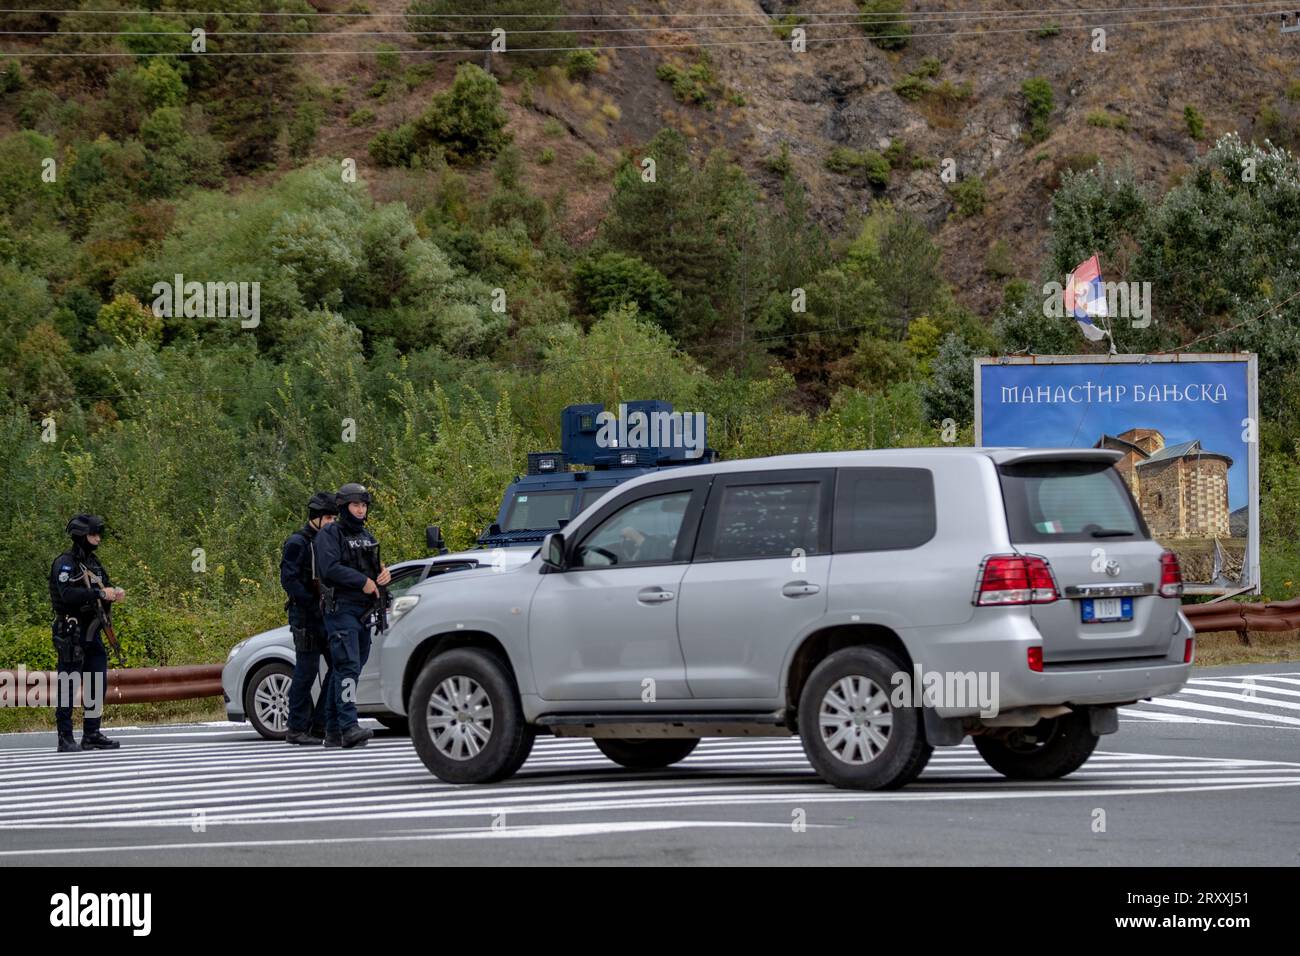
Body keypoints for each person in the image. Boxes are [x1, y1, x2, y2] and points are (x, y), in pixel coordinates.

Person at [314, 483, 390, 749]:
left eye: (363, 505)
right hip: (341, 609)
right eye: (355, 505)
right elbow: (329, 568)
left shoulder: (366, 535)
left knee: (347, 668)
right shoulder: (330, 534)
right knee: (347, 666)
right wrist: (362, 582)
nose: (360, 510)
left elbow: (371, 568)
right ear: (344, 507)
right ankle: (349, 726)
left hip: (363, 611)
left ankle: (333, 731)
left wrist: (382, 575)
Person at [49, 514, 123, 753]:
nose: (97, 539)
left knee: (96, 682)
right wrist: (98, 595)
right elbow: (67, 594)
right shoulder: (65, 563)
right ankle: (65, 736)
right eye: (93, 535)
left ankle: (91, 734)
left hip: (93, 632)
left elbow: (106, 585)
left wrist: (114, 592)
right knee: (68, 684)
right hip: (71, 631)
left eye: (99, 534)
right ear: (81, 536)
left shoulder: (94, 563)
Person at [280, 491, 339, 746]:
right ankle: (296, 728)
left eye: (333, 518)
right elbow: (289, 580)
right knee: (306, 670)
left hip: (326, 613)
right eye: (327, 517)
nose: (331, 522)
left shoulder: (330, 541)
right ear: (315, 518)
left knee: (338, 665)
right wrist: (312, 605)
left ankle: (319, 723)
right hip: (305, 614)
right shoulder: (297, 542)